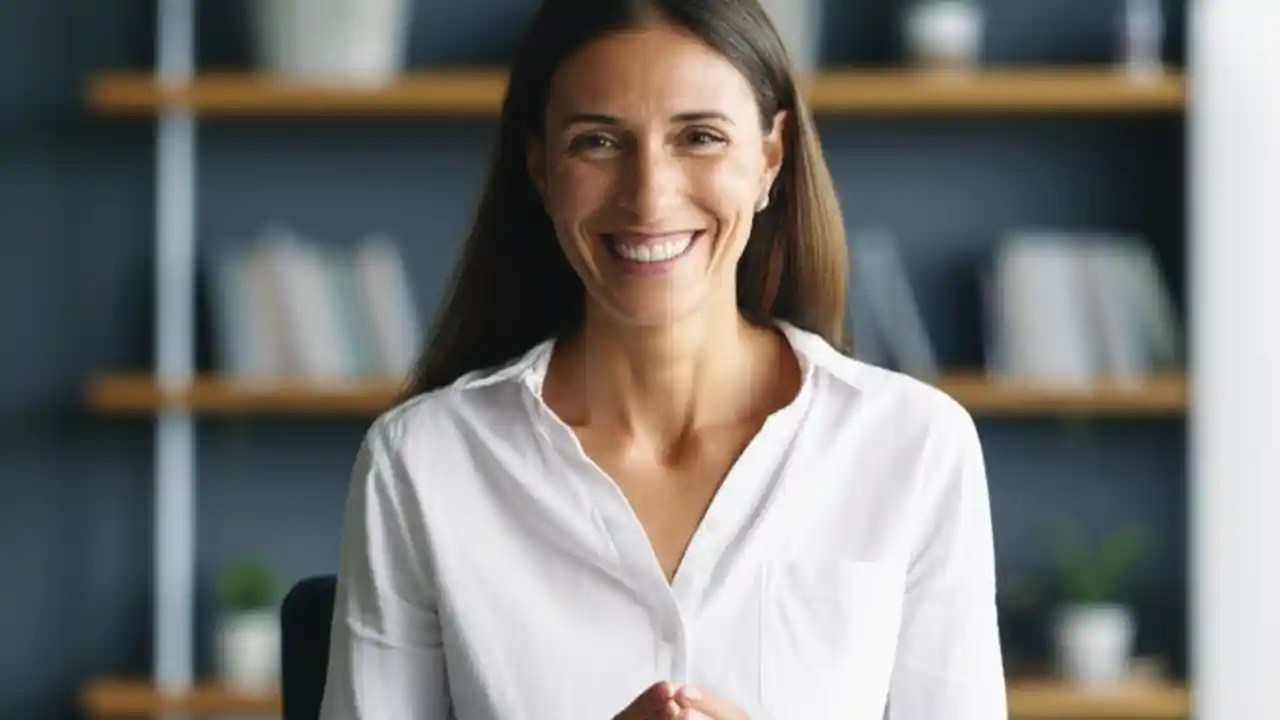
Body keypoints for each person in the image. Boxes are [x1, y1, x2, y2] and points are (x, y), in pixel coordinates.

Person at [318, 0, 1006, 718]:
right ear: (541, 167)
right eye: (597, 142)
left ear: (770, 158)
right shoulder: (424, 462)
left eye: (700, 137)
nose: (649, 196)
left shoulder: (914, 445)